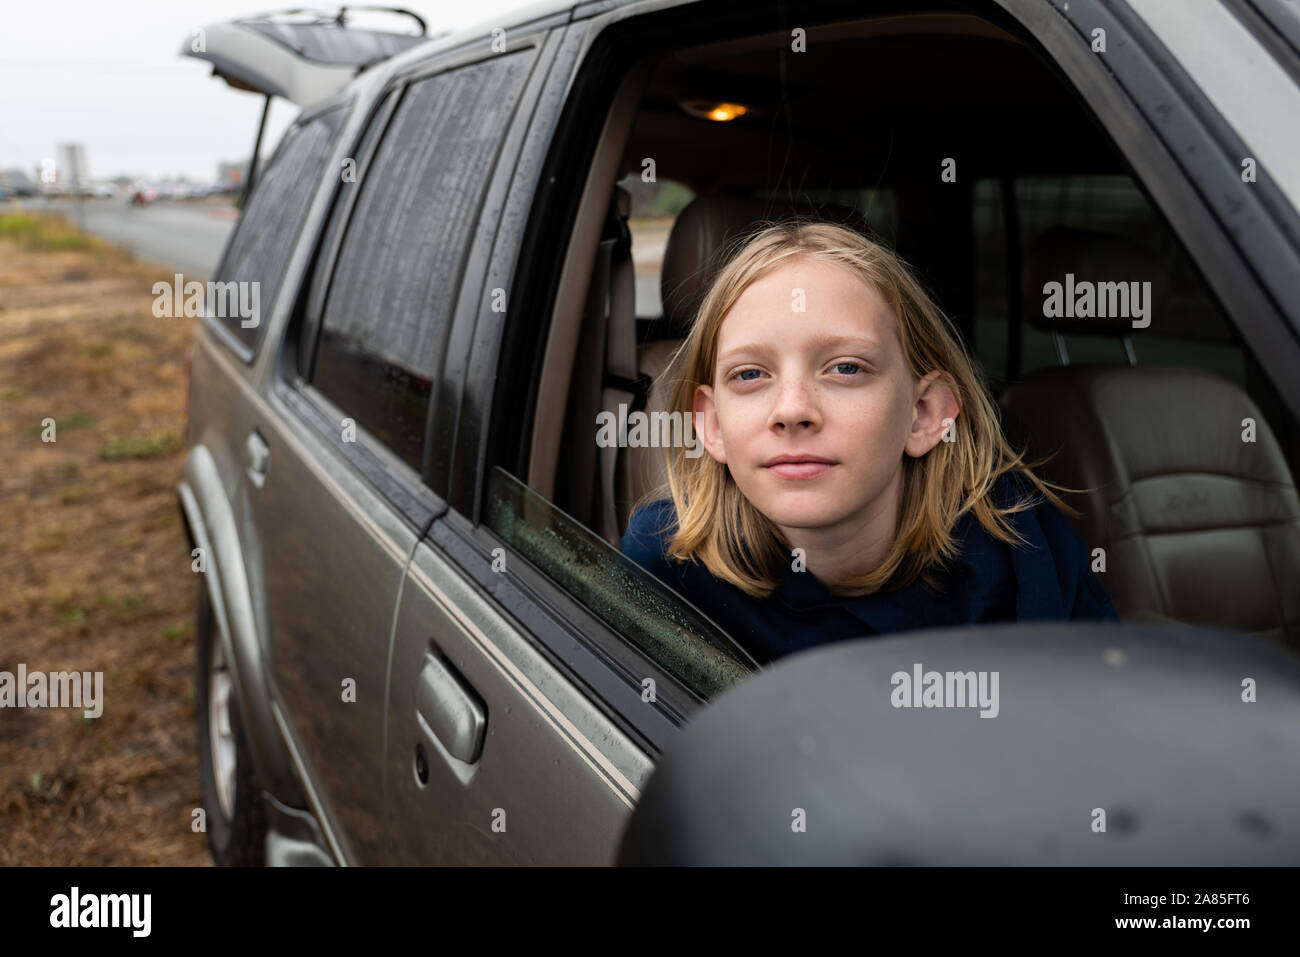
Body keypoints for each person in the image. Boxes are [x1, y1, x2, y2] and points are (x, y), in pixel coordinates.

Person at [620, 219, 1119, 665]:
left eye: (845, 368)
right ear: (711, 426)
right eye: (750, 374)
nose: (792, 410)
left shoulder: (1021, 543)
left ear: (924, 414)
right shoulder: (669, 564)